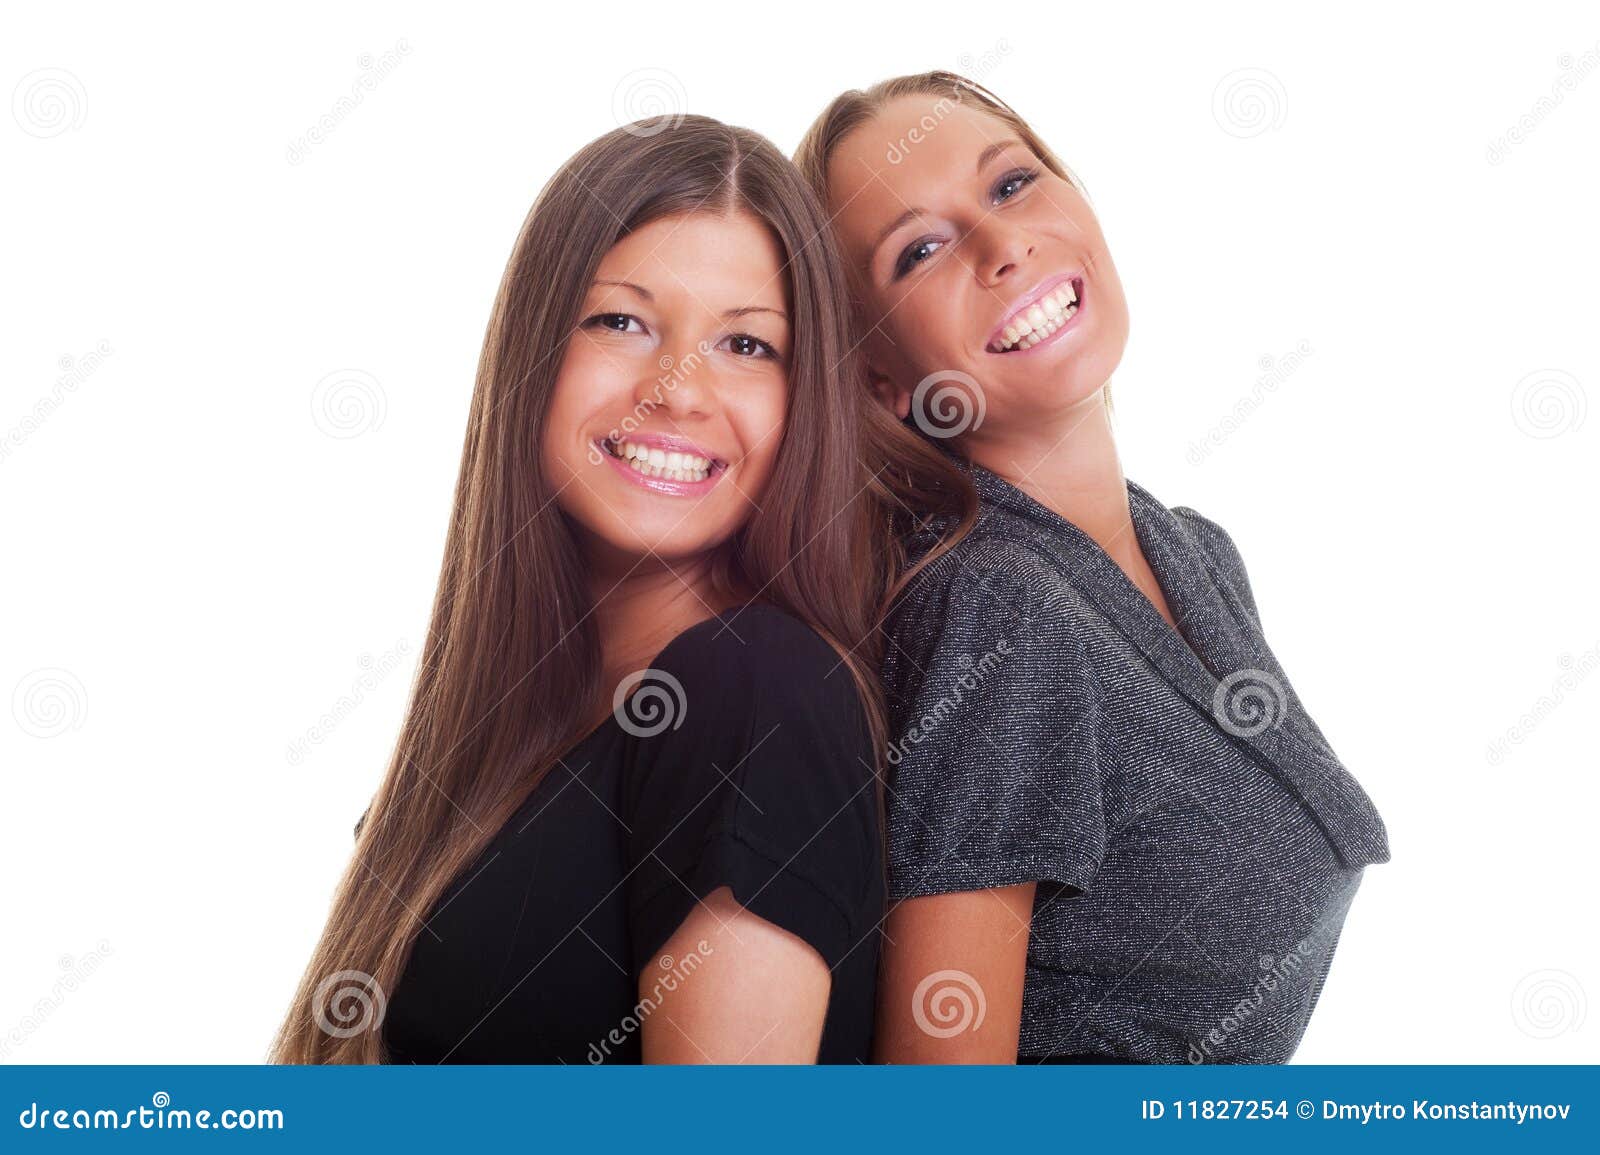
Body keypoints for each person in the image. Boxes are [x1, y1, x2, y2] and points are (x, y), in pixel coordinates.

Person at [795, 71, 1393, 1063]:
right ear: (878, 380)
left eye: (1011, 184)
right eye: (921, 249)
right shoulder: (999, 608)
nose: (1003, 245)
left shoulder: (1192, 553)